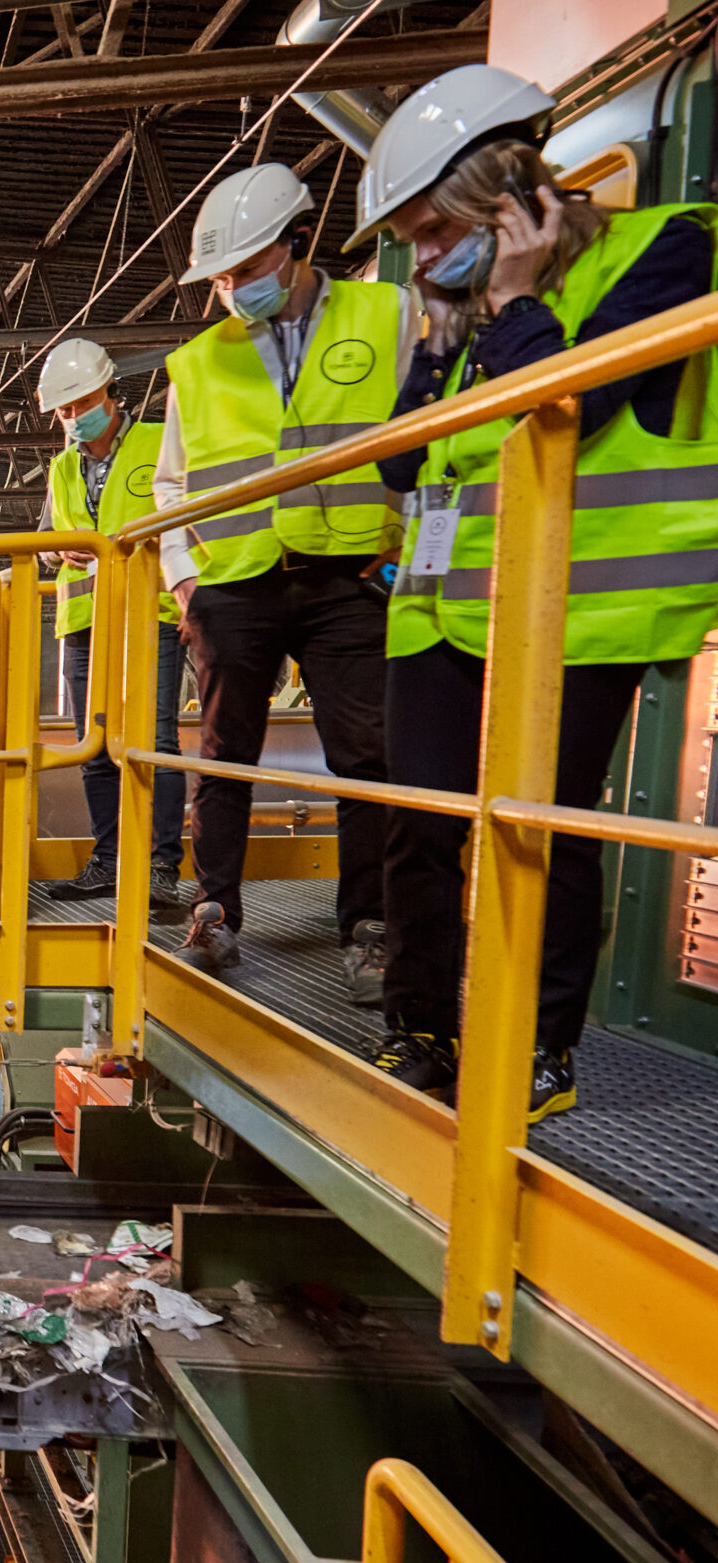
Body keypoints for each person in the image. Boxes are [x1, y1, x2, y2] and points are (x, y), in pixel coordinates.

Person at [354, 64, 718, 1119]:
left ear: (507, 193)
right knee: (418, 824)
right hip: (441, 609)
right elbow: (403, 469)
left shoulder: (666, 254)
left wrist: (509, 300)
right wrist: (434, 348)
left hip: (575, 612)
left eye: (433, 232)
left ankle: (536, 1050)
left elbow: (570, 408)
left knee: (536, 831)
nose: (425, 258)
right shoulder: (461, 316)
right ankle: (418, 1025)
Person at [159, 160, 408, 1001]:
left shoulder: (389, 316)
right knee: (225, 755)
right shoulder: (196, 364)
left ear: (300, 245)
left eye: (247, 269)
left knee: (366, 756)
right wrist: (185, 579)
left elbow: (432, 433)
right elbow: (169, 485)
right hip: (237, 582)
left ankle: (369, 929)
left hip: (351, 575)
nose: (233, 289)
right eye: (222, 277)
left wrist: (404, 553)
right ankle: (215, 910)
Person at [35, 337, 190, 917]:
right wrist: (59, 553)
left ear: (110, 392)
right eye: (65, 410)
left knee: (155, 743)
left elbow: (185, 516)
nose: (75, 417)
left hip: (152, 614)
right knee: (95, 749)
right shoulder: (62, 467)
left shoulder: (156, 443)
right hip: (84, 622)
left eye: (82, 403)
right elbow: (50, 538)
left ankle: (159, 867)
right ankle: (109, 858)